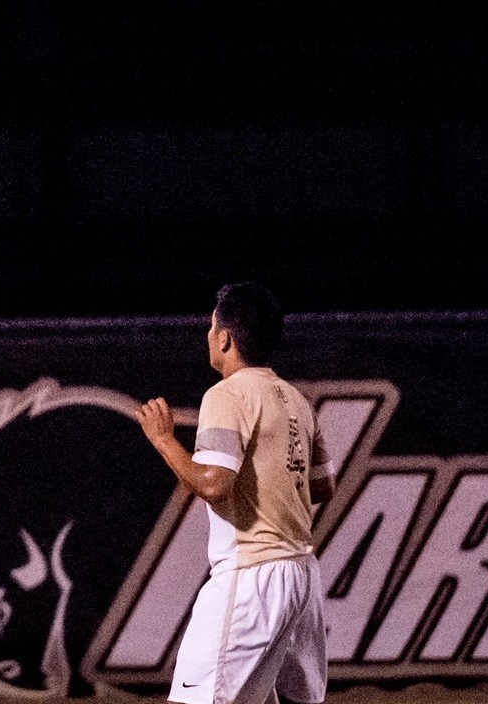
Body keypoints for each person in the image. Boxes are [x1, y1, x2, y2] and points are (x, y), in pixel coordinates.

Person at [136, 282, 336, 704]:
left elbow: (213, 484)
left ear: (225, 338)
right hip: (302, 574)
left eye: (211, 327)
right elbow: (323, 487)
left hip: (252, 578)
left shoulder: (226, 395)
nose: (208, 335)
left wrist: (163, 439)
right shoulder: (297, 401)